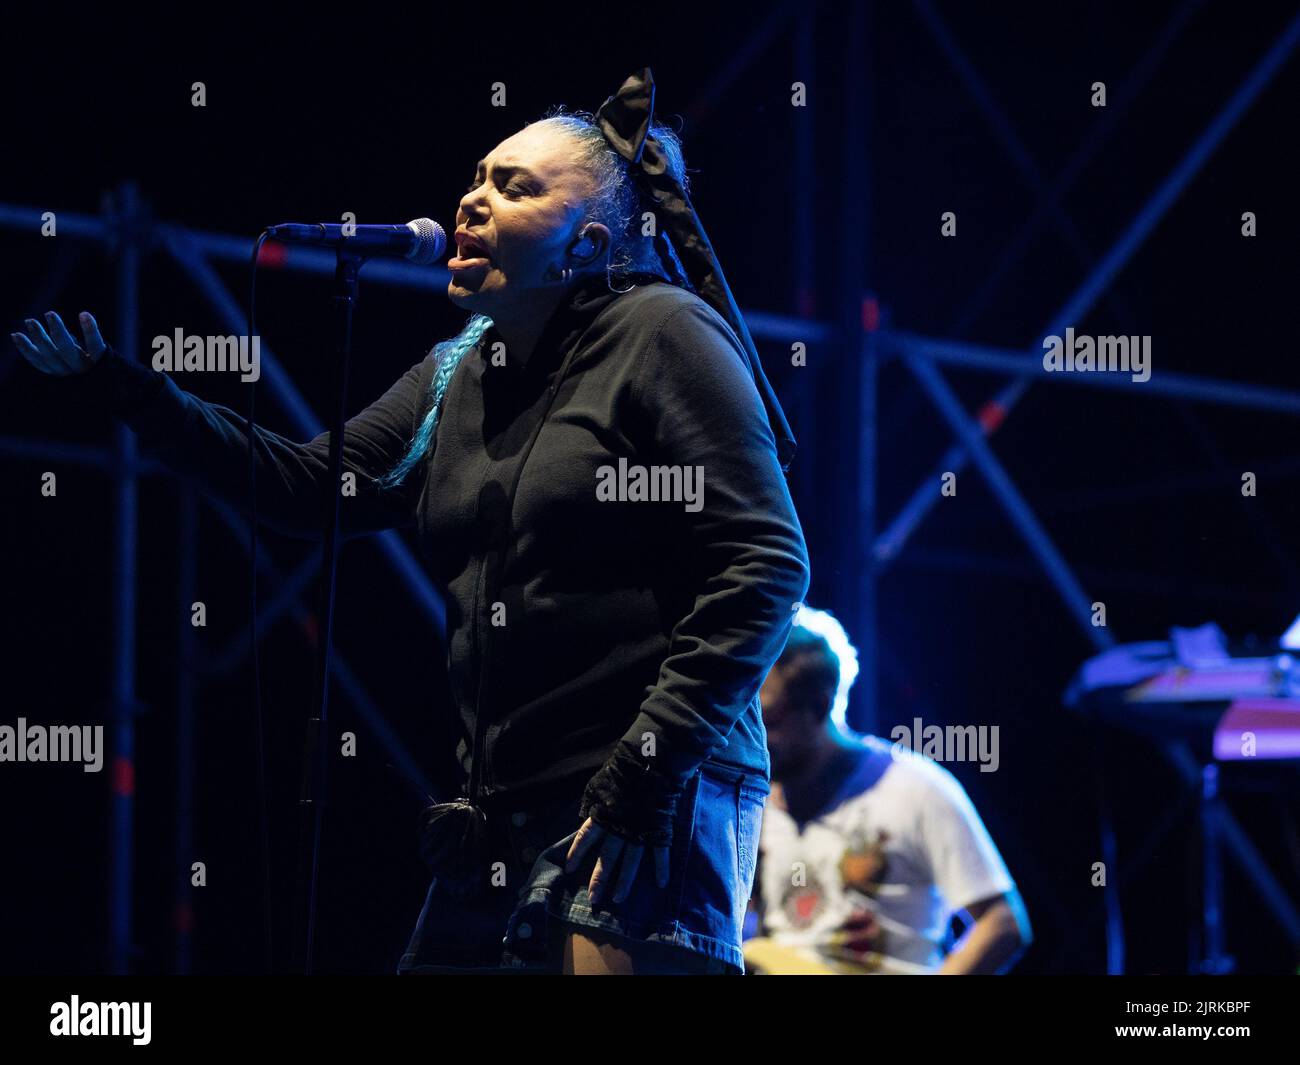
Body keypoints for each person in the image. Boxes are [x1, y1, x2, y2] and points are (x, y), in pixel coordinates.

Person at [12, 82, 809, 974]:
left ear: (588, 243)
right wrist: (131, 392)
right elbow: (316, 488)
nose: (471, 197)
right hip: (502, 806)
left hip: (647, 784)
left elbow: (766, 563)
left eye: (514, 186)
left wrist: (643, 777)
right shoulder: (460, 367)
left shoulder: (662, 332)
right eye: (476, 177)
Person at [748, 607, 1030, 974]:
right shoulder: (753, 803)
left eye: (768, 719)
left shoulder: (916, 788)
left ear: (820, 706)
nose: (753, 736)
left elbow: (1002, 923)